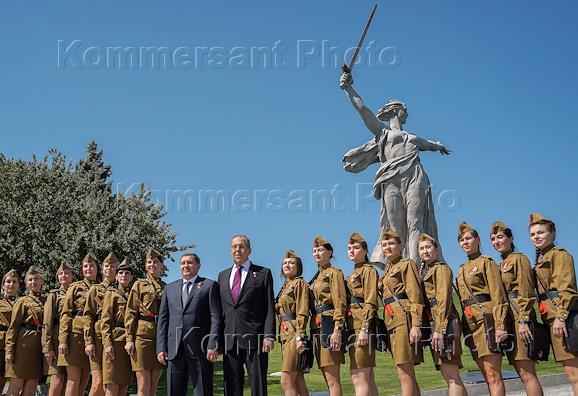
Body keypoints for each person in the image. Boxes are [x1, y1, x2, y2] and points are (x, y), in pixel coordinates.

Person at [339, 72, 450, 264]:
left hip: (415, 176)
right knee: (395, 227)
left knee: (415, 223)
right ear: (396, 111)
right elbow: (363, 111)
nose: (407, 114)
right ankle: (397, 269)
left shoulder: (413, 138)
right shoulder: (383, 133)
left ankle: (415, 267)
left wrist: (439, 146)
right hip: (391, 178)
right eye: (405, 110)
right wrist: (349, 89)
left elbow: (430, 144)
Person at [218, 235, 275, 396]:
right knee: (231, 385)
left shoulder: (263, 273)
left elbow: (269, 307)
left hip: (255, 338)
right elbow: (221, 311)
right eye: (234, 247)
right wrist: (217, 340)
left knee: (257, 384)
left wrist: (269, 335)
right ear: (230, 250)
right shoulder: (222, 276)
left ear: (249, 250)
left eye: (241, 246)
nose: (237, 250)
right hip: (230, 339)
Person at [157, 253, 221, 396]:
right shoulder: (170, 288)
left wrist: (213, 344)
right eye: (183, 263)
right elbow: (163, 319)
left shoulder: (209, 286)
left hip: (200, 349)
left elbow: (216, 317)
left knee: (202, 391)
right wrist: (161, 347)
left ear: (198, 266)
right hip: (174, 349)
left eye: (190, 263)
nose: (186, 266)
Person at [490, 221, 543, 396]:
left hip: (521, 319)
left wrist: (523, 320)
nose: (496, 241)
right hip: (510, 321)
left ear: (510, 238)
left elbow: (526, 291)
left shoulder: (519, 259)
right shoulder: (502, 263)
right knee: (521, 372)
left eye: (500, 237)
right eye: (493, 239)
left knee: (527, 373)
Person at [455, 222, 508, 396]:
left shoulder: (487, 262)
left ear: (477, 239)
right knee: (485, 374)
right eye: (462, 240)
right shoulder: (461, 269)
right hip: (471, 324)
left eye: (469, 238)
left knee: (493, 374)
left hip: (487, 320)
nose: (465, 242)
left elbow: (498, 295)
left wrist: (500, 325)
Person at [529, 213, 578, 394]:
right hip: (554, 318)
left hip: (565, 318)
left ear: (553, 233)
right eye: (533, 234)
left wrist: (561, 316)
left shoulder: (559, 255)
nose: (536, 237)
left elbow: (568, 289)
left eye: (541, 232)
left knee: (575, 374)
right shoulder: (543, 257)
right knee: (571, 372)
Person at [418, 233, 467, 396]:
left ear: (437, 249)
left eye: (428, 247)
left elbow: (444, 300)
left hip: (444, 324)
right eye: (421, 248)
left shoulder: (441, 269)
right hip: (435, 323)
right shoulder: (427, 271)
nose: (425, 251)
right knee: (447, 374)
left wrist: (439, 329)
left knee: (452, 375)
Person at [378, 228, 424, 396]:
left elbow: (415, 296)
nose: (387, 247)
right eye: (384, 245)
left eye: (391, 243)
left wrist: (416, 325)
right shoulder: (388, 269)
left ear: (401, 245)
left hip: (404, 321)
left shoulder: (407, 264)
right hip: (391, 322)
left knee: (405, 371)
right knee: (405, 372)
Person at [125, 248, 166, 396]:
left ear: (161, 265)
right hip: (141, 338)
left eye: (155, 262)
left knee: (154, 385)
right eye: (149, 262)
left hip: (159, 339)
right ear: (145, 265)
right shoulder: (139, 285)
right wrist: (129, 339)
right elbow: (130, 312)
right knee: (143, 385)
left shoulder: (166, 287)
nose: (152, 265)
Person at [309, 236, 346, 396]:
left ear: (330, 253)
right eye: (314, 251)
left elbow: (340, 302)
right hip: (317, 327)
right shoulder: (317, 276)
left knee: (333, 379)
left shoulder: (334, 273)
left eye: (320, 250)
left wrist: (337, 329)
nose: (317, 253)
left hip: (329, 325)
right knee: (325, 374)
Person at [59, 253, 99, 396]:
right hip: (75, 335)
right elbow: (66, 314)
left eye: (92, 265)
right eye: (85, 266)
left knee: (84, 380)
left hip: (93, 337)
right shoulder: (75, 287)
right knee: (73, 380)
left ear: (97, 268)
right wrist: (63, 340)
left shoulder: (100, 288)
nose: (88, 268)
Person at [345, 233, 378, 396]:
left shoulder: (368, 270)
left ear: (365, 250)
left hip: (362, 327)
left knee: (359, 376)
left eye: (356, 247)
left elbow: (370, 301)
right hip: (354, 327)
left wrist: (365, 328)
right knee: (367, 378)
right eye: (349, 248)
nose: (351, 250)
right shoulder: (352, 274)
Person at [5, 266, 45, 396]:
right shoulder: (22, 301)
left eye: (36, 279)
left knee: (31, 385)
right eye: (30, 279)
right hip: (23, 347)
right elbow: (13, 327)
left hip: (38, 348)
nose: (33, 282)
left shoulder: (46, 301)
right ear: (27, 283)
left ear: (42, 281)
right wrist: (9, 350)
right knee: (16, 386)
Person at [276, 250, 310, 396]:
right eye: (285, 263)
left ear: (298, 267)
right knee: (298, 380)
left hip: (293, 334)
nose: (287, 265)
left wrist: (299, 336)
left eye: (291, 263)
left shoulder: (299, 283)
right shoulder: (284, 286)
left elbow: (302, 310)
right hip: (285, 335)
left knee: (286, 380)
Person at [84, 252, 119, 396]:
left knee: (112, 381)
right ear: (102, 269)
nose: (109, 269)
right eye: (106, 266)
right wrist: (88, 341)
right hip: (98, 337)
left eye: (113, 266)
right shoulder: (95, 289)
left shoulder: (122, 290)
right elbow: (88, 316)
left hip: (116, 337)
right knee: (98, 381)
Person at [101, 259, 134, 396]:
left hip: (128, 342)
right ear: (116, 276)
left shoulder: (134, 294)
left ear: (131, 277)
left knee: (123, 385)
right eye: (120, 273)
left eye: (127, 273)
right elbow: (105, 321)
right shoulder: (111, 293)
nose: (124, 276)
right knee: (111, 383)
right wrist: (107, 344)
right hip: (115, 341)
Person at [43, 262, 75, 396]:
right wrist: (47, 348)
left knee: (70, 380)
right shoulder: (54, 295)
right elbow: (47, 323)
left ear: (73, 275)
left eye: (67, 273)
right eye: (61, 273)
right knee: (57, 379)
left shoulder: (76, 293)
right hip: (56, 342)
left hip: (72, 341)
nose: (63, 276)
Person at [0, 269, 20, 393]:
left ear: (18, 285)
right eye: (8, 282)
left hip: (16, 346)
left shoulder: (22, 302)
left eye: (14, 282)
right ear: (3, 285)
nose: (11, 284)